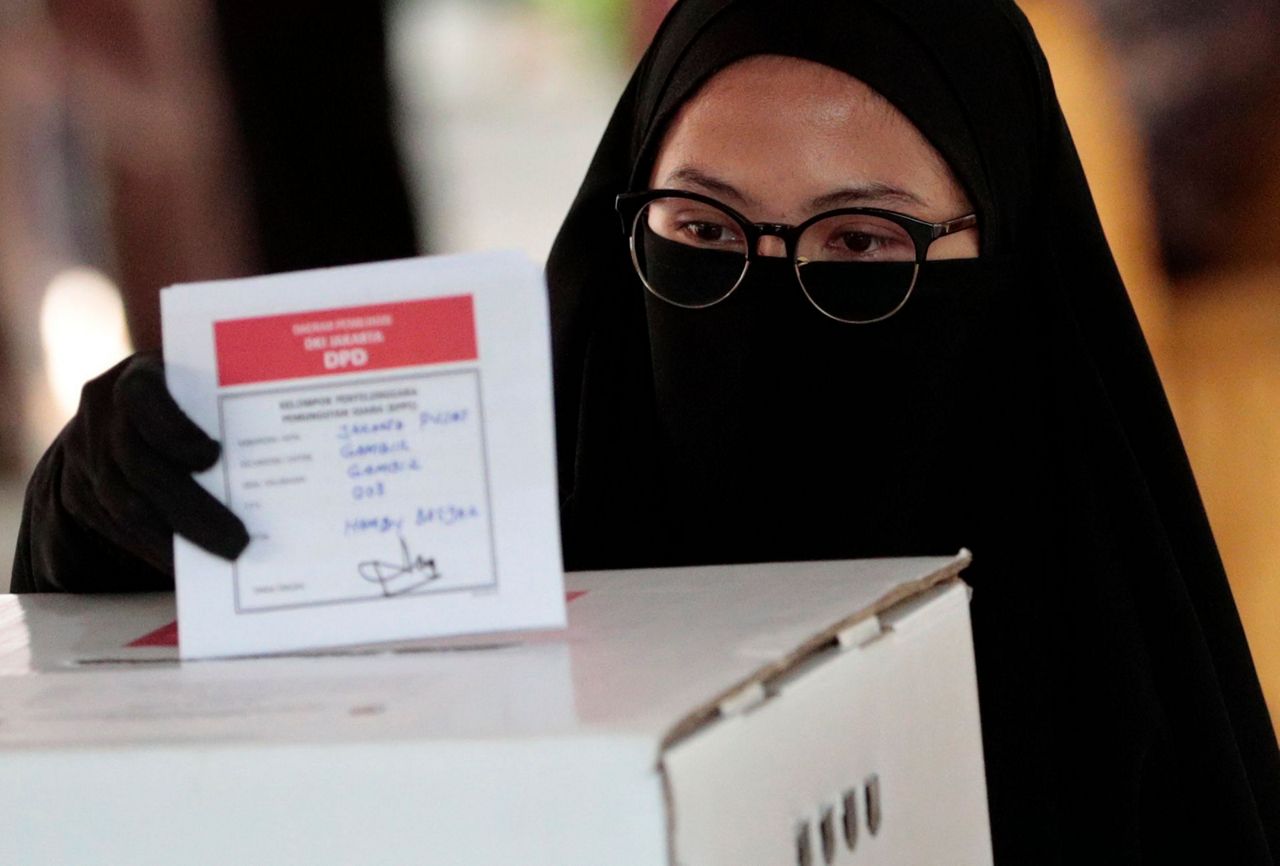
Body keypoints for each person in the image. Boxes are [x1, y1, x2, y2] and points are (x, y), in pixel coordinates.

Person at [11, 0, 1280, 861]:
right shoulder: (502, 534)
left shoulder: (1117, 692)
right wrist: (101, 525)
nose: (770, 299)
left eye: (861, 245)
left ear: (1005, 266)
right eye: (702, 232)